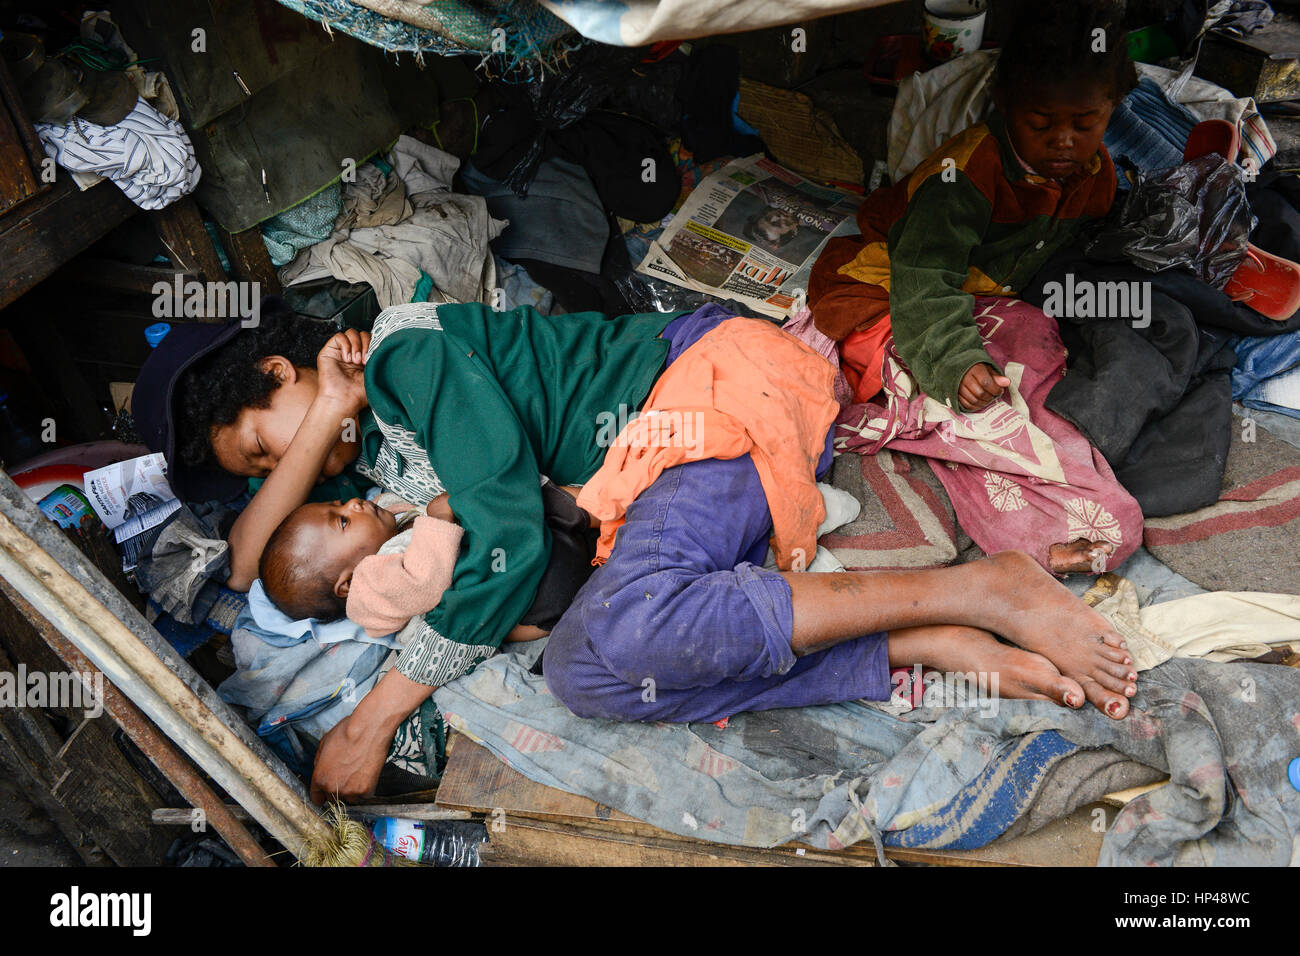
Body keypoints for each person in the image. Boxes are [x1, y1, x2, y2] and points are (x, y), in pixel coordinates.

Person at [136, 293, 1138, 805]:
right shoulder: (357, 460)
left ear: (280, 366)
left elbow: (510, 537)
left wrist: (371, 718)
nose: (295, 476)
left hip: (705, 395)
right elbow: (241, 564)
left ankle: (978, 586)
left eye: (269, 442)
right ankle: (916, 646)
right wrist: (316, 428)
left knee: (630, 623)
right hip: (646, 486)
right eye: (273, 467)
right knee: (589, 672)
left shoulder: (406, 352)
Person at [808, 0, 1144, 574]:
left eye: (1085, 125)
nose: (1063, 140)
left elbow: (1090, 237)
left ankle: (1044, 488)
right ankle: (1029, 527)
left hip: (983, 295)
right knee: (965, 396)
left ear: (1112, 112)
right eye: (1041, 124)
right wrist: (957, 363)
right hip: (878, 293)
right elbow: (923, 280)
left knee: (1043, 353)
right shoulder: (961, 176)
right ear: (1005, 107)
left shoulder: (1094, 174)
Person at [257, 483, 595, 644]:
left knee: (541, 500)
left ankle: (599, 516)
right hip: (532, 592)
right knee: (526, 603)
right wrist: (439, 518)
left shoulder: (388, 511)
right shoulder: (370, 588)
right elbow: (422, 585)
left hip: (521, 542)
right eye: (342, 521)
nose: (354, 504)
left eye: (339, 503)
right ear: (346, 584)